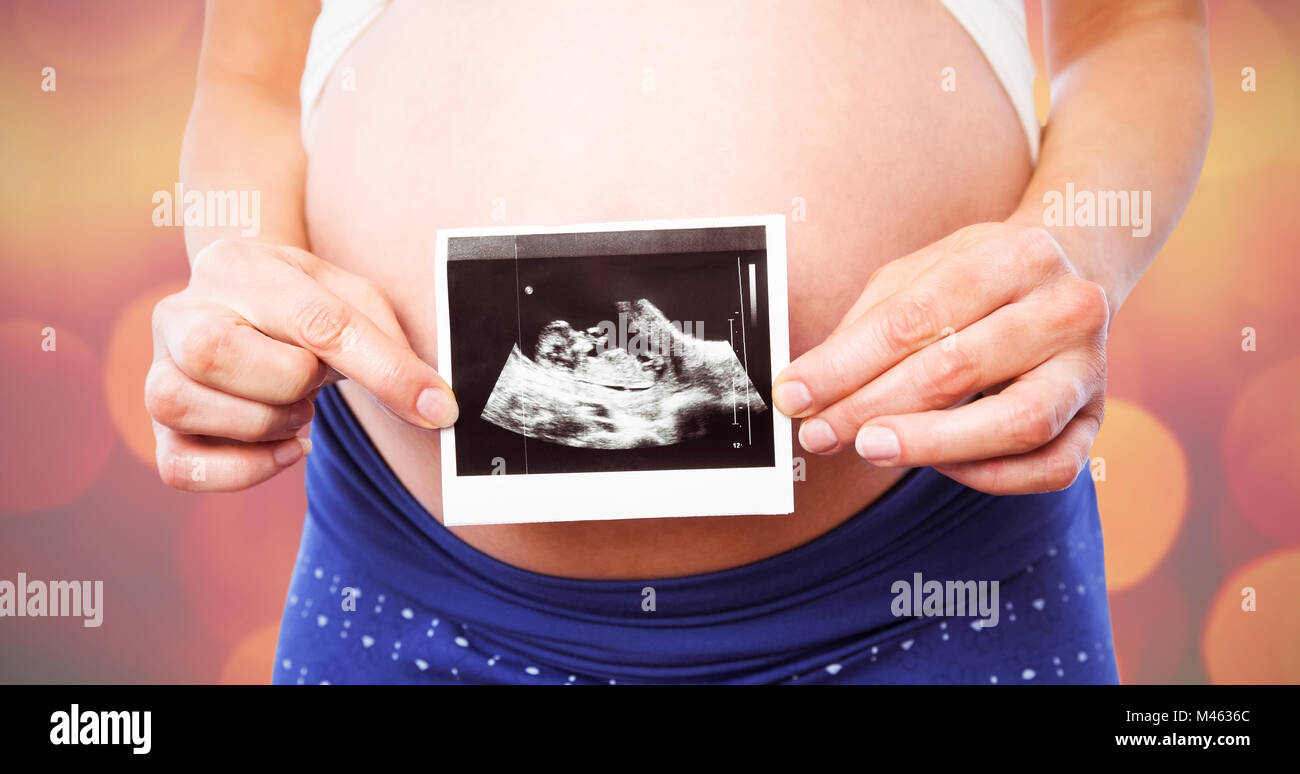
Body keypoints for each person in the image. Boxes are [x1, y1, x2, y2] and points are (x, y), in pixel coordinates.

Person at [148, 0, 1212, 684]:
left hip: (929, 568)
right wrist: (241, 265)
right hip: (413, 588)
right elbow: (247, 76)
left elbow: (1134, 31)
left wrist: (1073, 247)